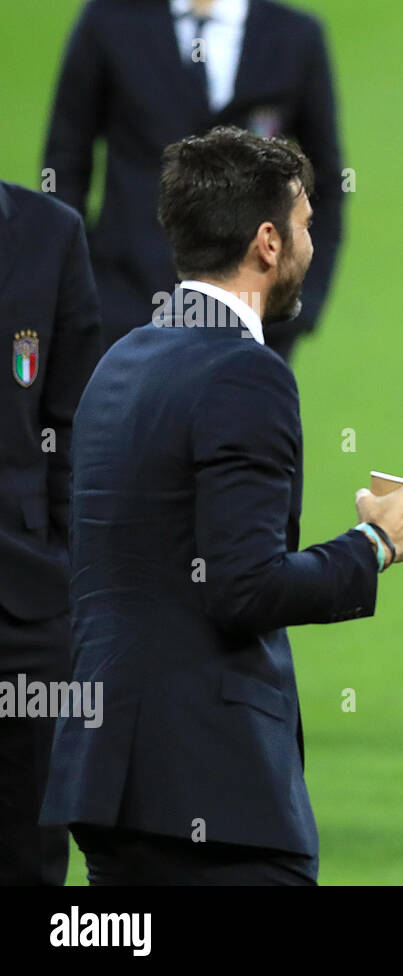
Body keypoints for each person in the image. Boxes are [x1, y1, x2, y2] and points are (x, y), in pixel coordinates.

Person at [39, 127, 403, 885]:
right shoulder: (244, 374)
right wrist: (374, 543)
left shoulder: (119, 364)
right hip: (211, 795)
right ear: (267, 241)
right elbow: (241, 587)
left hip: (109, 785)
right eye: (306, 227)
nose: (311, 249)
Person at [43, 0, 343, 361]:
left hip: (254, 319)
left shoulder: (296, 37)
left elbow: (326, 181)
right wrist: (80, 287)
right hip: (124, 310)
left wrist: (302, 302)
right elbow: (65, 163)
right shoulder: (110, 21)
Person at [0, 180, 101, 885]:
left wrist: (64, 570)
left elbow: (75, 430)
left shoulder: (49, 232)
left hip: (26, 610)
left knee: (31, 862)